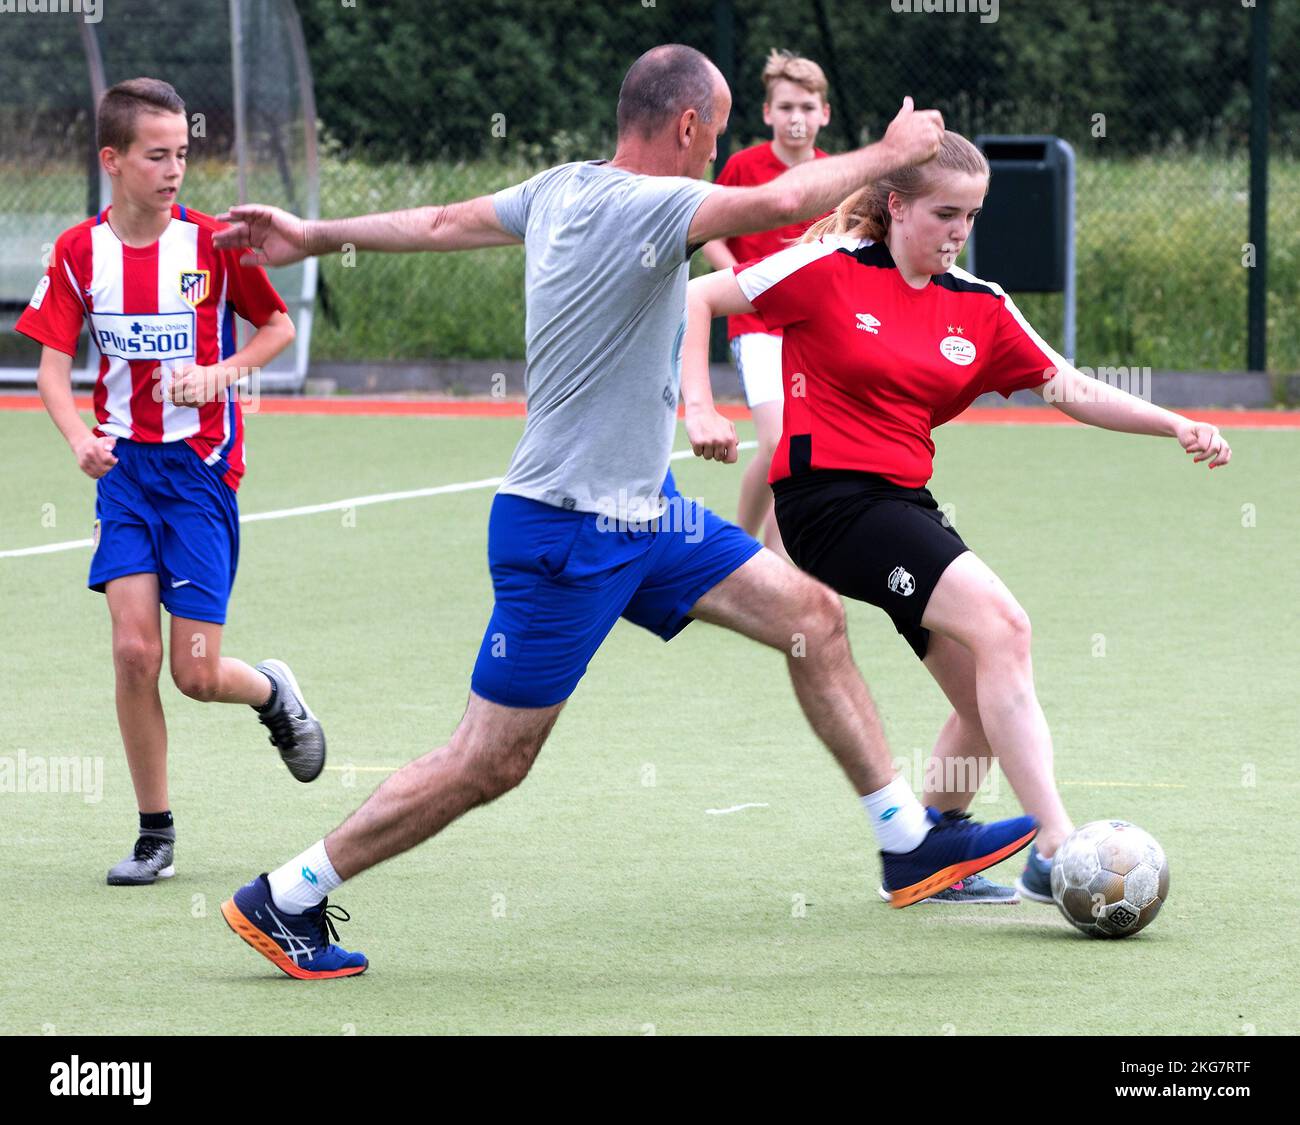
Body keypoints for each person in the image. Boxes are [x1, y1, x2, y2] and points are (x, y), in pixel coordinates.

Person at [212, 45, 1038, 980]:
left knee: (812, 616)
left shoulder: (560, 186)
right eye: (719, 132)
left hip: (648, 515)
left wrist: (313, 234)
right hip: (565, 530)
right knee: (491, 761)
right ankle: (286, 894)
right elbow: (776, 205)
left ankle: (905, 840)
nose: (720, 150)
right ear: (687, 126)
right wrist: (892, 154)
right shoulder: (651, 205)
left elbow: (440, 219)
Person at [681, 128, 1231, 906]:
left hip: (902, 505)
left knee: (984, 698)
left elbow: (1069, 387)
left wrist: (1174, 422)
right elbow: (702, 293)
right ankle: (1057, 848)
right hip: (827, 503)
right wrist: (697, 404)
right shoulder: (827, 270)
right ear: (896, 206)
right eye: (944, 214)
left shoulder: (978, 306)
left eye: (970, 216)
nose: (958, 232)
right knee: (1007, 625)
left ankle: (933, 844)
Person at [16, 78, 325, 887]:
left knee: (194, 673)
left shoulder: (215, 246)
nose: (175, 169)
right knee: (130, 651)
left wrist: (221, 374)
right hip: (122, 472)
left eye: (182, 153)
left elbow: (278, 326)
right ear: (112, 160)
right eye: (157, 155)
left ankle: (271, 692)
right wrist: (80, 437)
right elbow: (49, 370)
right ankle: (155, 834)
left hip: (198, 475)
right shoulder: (80, 252)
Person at [699, 49, 833, 561]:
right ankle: (738, 550)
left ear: (823, 114)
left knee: (804, 448)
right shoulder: (743, 167)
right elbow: (710, 230)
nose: (795, 118)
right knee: (777, 442)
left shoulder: (835, 175)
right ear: (766, 114)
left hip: (815, 330)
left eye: (805, 107)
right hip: (755, 325)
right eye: (785, 107)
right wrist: (736, 279)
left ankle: (779, 561)